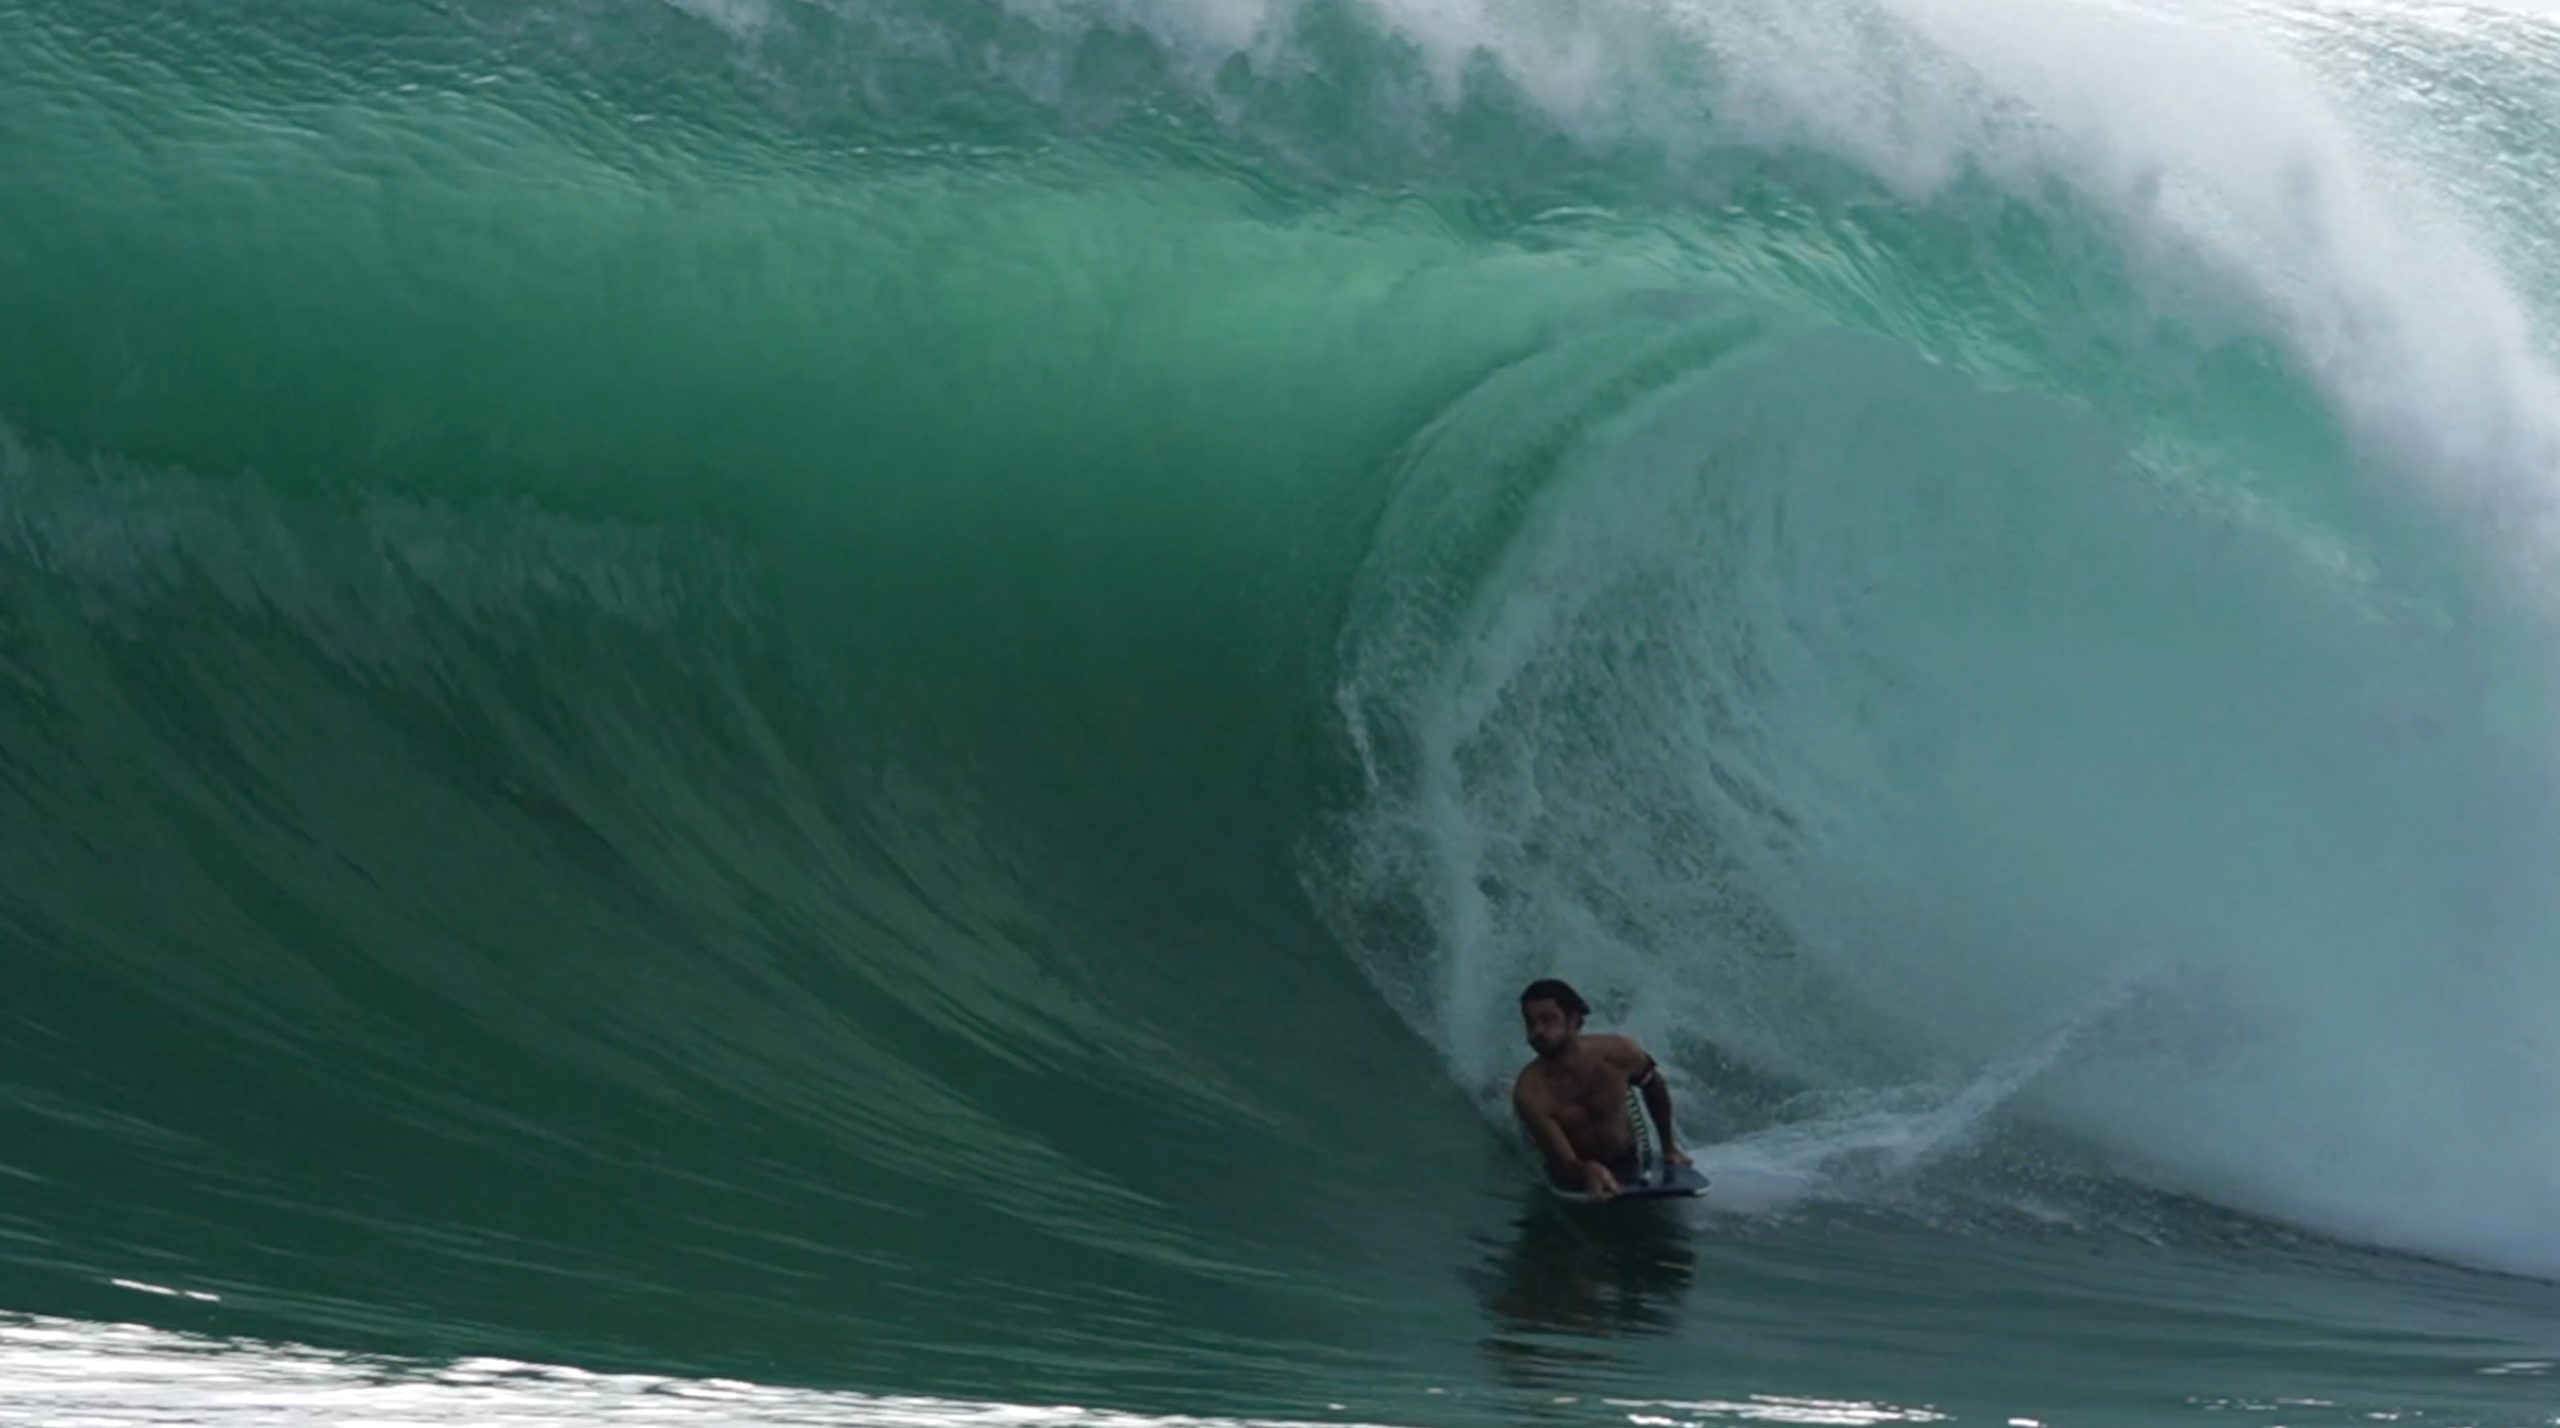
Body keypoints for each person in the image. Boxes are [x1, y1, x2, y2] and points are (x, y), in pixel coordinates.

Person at [1512, 977, 1690, 1200]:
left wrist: (1668, 1147)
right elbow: (1564, 1163)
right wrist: (1586, 1170)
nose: (1536, 1031)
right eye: (1530, 1023)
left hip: (1627, 1157)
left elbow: (1654, 1084)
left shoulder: (1619, 1053)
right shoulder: (1531, 1092)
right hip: (1572, 1168)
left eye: (1548, 1020)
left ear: (1573, 1019)